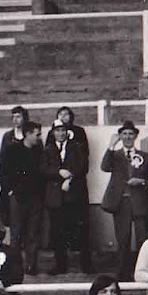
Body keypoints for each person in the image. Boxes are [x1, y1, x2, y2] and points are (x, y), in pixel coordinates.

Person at [100, 121, 148, 281]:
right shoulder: (115, 155)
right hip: (121, 203)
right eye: (124, 134)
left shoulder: (145, 157)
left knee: (142, 239)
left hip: (139, 203)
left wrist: (141, 181)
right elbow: (105, 167)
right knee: (123, 239)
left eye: (130, 134)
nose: (127, 137)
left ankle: (143, 272)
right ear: (120, 136)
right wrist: (111, 145)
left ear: (135, 136)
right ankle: (122, 274)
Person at [43, 117, 92, 274]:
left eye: (63, 130)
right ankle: (60, 265)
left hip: (75, 196)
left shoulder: (76, 147)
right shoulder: (48, 149)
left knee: (81, 230)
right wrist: (59, 173)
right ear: (53, 133)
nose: (61, 133)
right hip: (56, 198)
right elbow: (43, 169)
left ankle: (86, 265)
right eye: (57, 130)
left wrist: (70, 178)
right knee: (58, 232)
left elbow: (83, 166)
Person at [0, 120, 46, 277]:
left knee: (33, 233)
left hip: (35, 199)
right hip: (18, 198)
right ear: (28, 134)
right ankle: (15, 266)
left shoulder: (39, 151)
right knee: (16, 234)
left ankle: (31, 266)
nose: (39, 137)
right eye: (37, 134)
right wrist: (11, 189)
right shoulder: (12, 150)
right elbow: (0, 173)